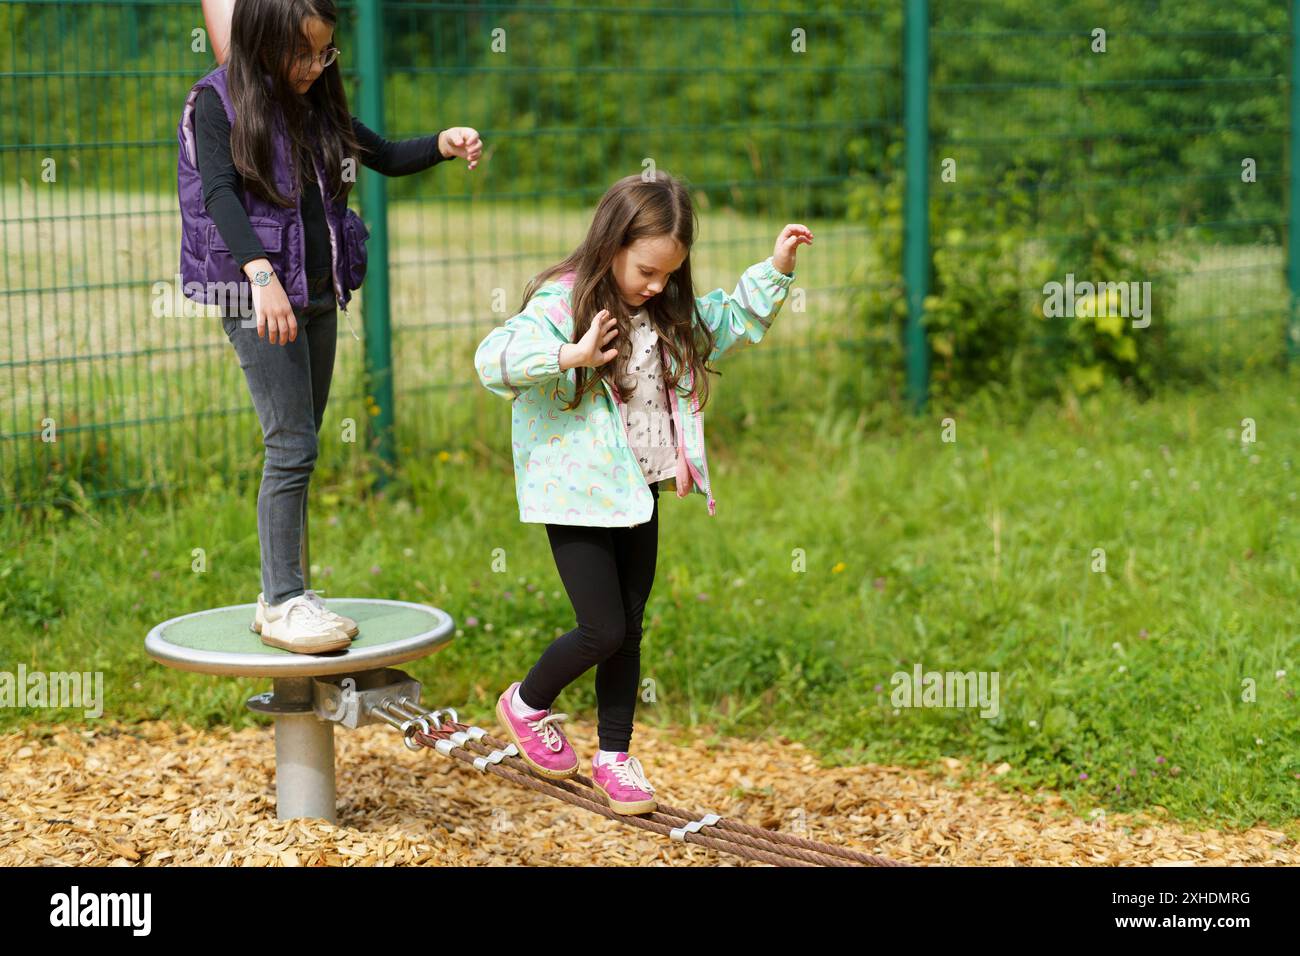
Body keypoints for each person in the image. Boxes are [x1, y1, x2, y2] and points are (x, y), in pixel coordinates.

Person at [474, 170, 813, 813]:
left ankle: (615, 757)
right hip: (575, 497)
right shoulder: (562, 301)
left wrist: (775, 267)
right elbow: (494, 359)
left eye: (668, 275)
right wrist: (568, 356)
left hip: (638, 494)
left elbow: (731, 317)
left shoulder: (664, 312)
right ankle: (525, 704)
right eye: (647, 271)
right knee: (600, 629)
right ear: (612, 243)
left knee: (629, 633)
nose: (656, 286)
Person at [177, 0, 482, 653]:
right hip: (260, 297)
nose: (316, 65)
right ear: (264, 41)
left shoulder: (315, 103)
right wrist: (261, 277)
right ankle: (282, 599)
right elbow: (219, 193)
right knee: (291, 446)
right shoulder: (217, 102)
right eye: (304, 53)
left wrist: (441, 144)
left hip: (315, 295)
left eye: (326, 52)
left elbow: (385, 155)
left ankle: (285, 593)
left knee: (301, 444)